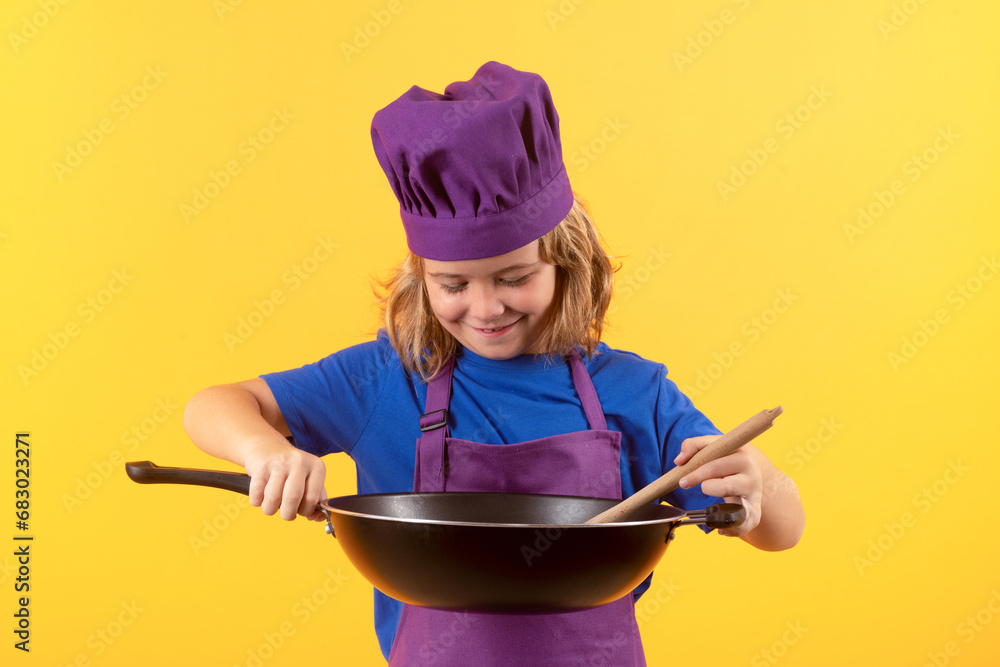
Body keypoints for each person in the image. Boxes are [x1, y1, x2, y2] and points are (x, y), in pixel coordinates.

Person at [182, 61, 804, 666]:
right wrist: (265, 452)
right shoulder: (388, 377)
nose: (484, 308)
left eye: (513, 277)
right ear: (419, 278)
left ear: (567, 261)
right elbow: (212, 406)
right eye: (453, 285)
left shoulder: (636, 391)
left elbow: (784, 529)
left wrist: (759, 485)